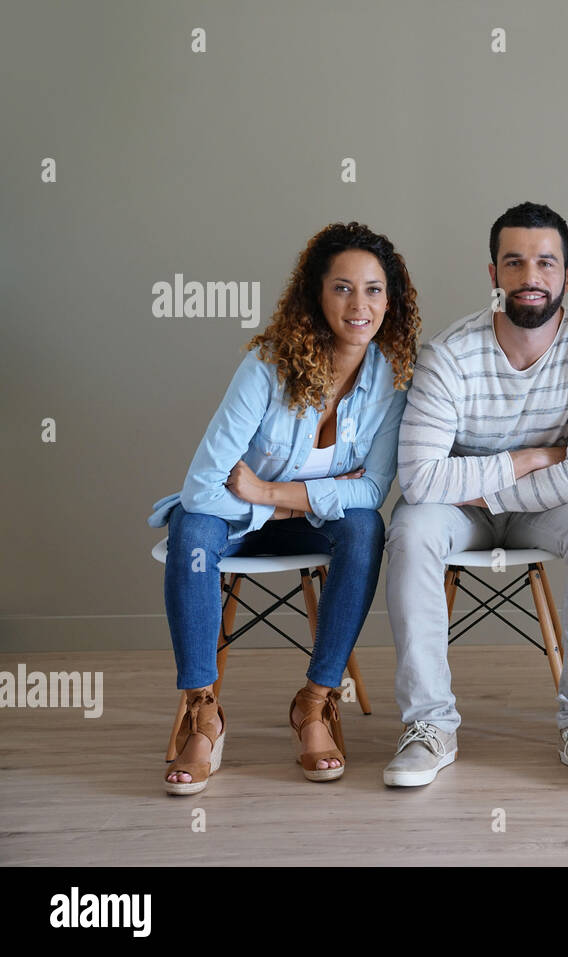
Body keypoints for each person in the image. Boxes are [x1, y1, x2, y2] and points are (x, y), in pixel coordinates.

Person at [148, 222, 419, 793]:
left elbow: (371, 492)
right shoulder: (267, 367)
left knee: (366, 528)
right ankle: (204, 713)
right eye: (342, 288)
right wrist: (293, 508)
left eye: (373, 289)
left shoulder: (392, 383)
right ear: (316, 295)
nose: (358, 304)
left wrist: (269, 493)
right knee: (191, 528)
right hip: (231, 524)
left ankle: (315, 703)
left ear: (390, 301)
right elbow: (202, 488)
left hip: (288, 519)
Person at [383, 202, 568, 788]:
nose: (530, 276)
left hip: (519, 509)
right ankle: (430, 725)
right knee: (412, 527)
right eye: (514, 262)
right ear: (493, 274)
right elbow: (418, 480)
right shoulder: (448, 355)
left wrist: (483, 490)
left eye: (546, 262)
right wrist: (530, 458)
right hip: (462, 516)